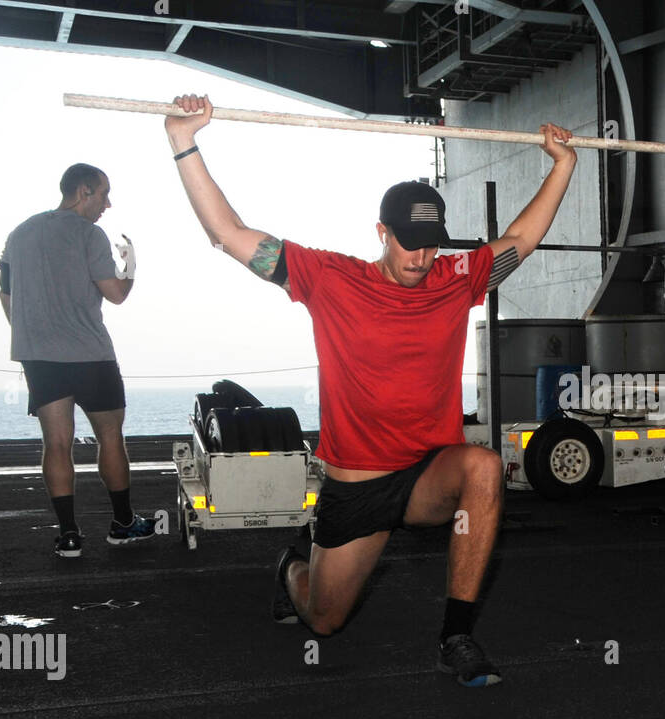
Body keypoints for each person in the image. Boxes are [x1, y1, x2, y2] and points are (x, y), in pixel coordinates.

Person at [164, 93, 575, 687]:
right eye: (409, 241)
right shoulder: (328, 278)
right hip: (359, 486)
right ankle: (290, 568)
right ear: (381, 232)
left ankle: (456, 635)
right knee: (324, 621)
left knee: (484, 467)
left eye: (432, 243)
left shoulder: (456, 278)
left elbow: (521, 239)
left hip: (428, 472)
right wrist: (184, 140)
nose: (422, 256)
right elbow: (227, 234)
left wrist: (561, 165)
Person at [0, 163, 158, 558]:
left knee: (56, 444)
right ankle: (122, 525)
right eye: (104, 193)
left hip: (41, 359)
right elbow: (116, 294)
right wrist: (130, 265)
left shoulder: (20, 233)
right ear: (84, 191)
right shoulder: (90, 234)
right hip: (90, 356)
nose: (108, 202)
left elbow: (5, 292)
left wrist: (31, 334)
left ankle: (69, 535)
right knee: (109, 438)